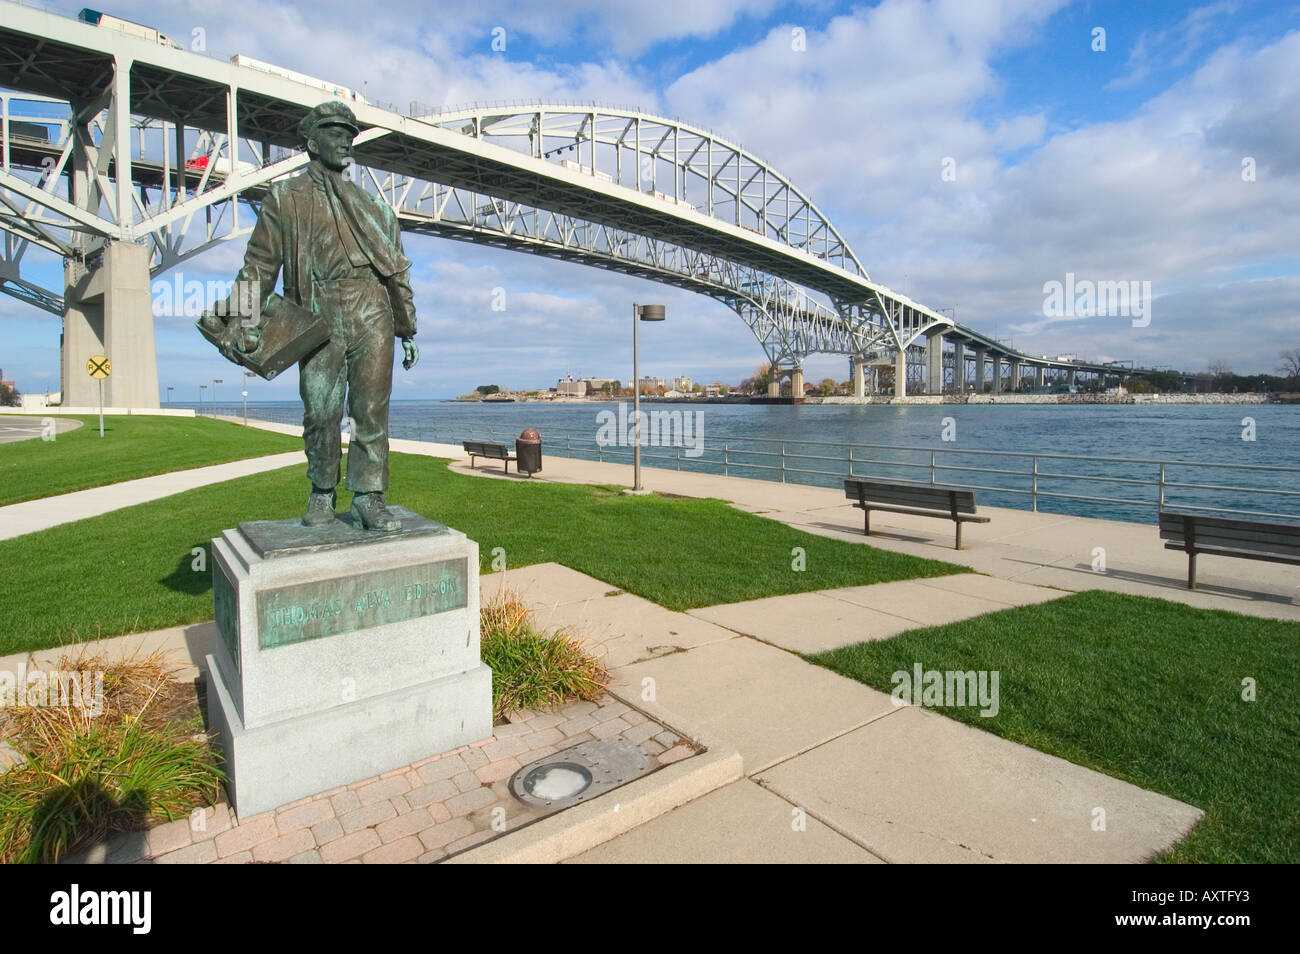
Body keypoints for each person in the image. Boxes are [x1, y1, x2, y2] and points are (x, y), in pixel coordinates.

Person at [229, 100, 418, 531]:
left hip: (373, 310)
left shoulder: (378, 210)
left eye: (350, 135)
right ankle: (322, 490)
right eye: (336, 134)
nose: (346, 142)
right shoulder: (285, 198)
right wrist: (240, 318)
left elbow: (396, 269)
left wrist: (406, 327)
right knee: (320, 411)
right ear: (312, 143)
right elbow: (259, 265)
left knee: (371, 411)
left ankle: (369, 496)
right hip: (319, 313)